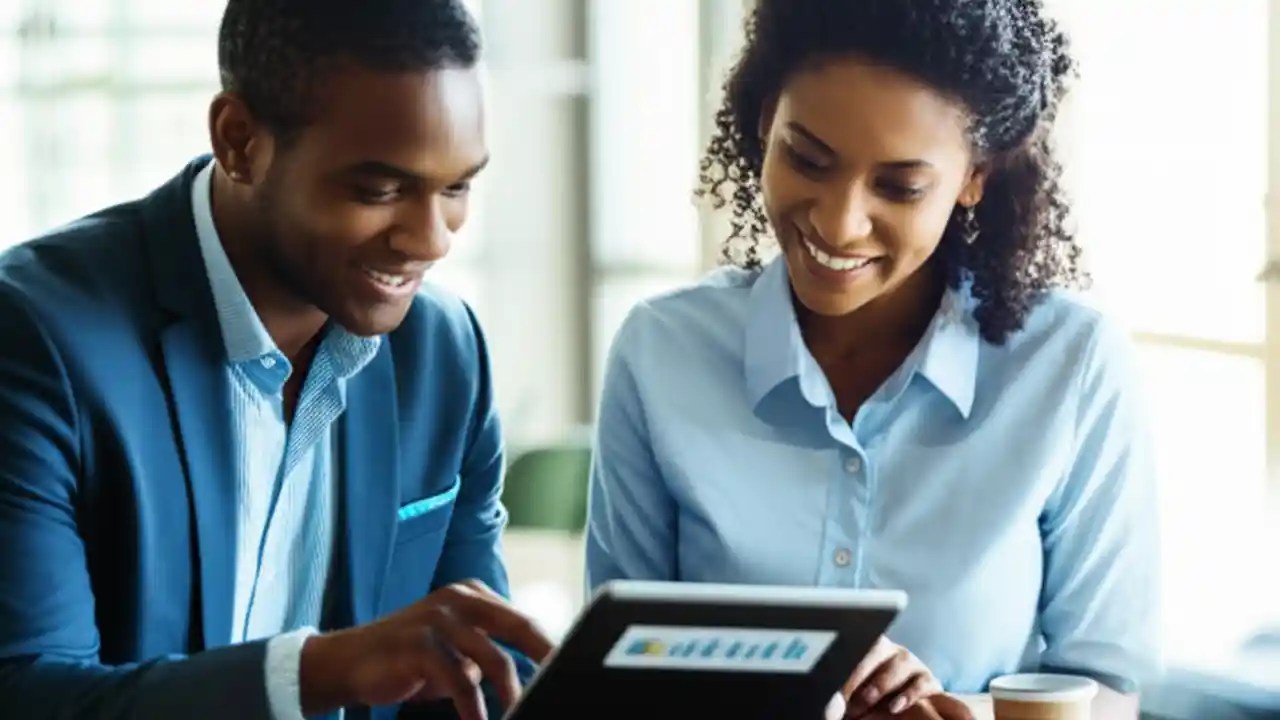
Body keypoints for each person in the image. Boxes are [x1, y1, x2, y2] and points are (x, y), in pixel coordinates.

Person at [586, 1, 1160, 718]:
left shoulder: (1069, 366)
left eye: (899, 186)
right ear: (765, 120)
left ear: (974, 175)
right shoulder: (660, 352)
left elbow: (1106, 694)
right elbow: (615, 679)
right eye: (807, 159)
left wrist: (958, 710)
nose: (838, 222)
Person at [0, 1, 551, 719]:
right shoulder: (39, 337)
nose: (431, 240)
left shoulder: (443, 354)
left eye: (454, 188)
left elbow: (476, 678)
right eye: (379, 190)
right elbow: (26, 693)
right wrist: (320, 672)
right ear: (240, 141)